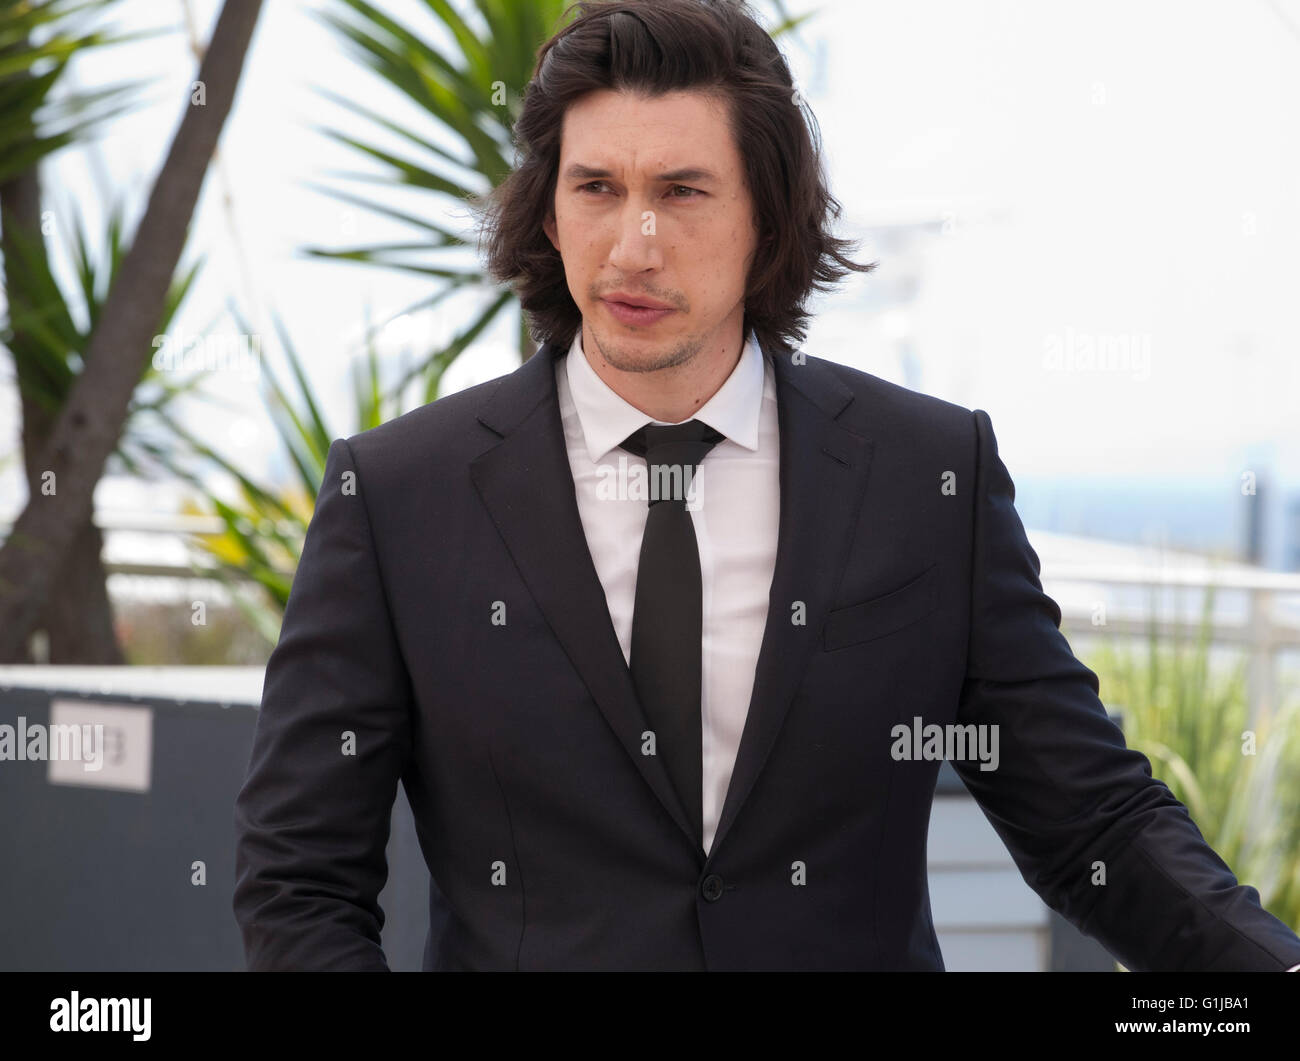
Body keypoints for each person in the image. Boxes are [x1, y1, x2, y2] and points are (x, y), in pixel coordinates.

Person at [232, 0, 1300, 971]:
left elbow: (1092, 823)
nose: (633, 244)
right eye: (596, 189)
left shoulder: (926, 474)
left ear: (769, 220)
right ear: (549, 216)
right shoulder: (402, 495)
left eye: (683, 192)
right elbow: (299, 880)